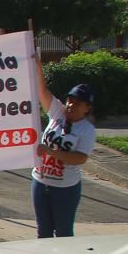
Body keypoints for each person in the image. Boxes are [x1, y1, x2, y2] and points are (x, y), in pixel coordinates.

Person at [31, 55, 97, 238]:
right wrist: (37, 67)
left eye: (77, 103)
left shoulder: (87, 130)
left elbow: (80, 158)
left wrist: (51, 152)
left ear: (87, 108)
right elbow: (41, 91)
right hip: (40, 180)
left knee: (63, 232)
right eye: (69, 101)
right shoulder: (57, 112)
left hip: (65, 187)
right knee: (43, 230)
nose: (71, 106)